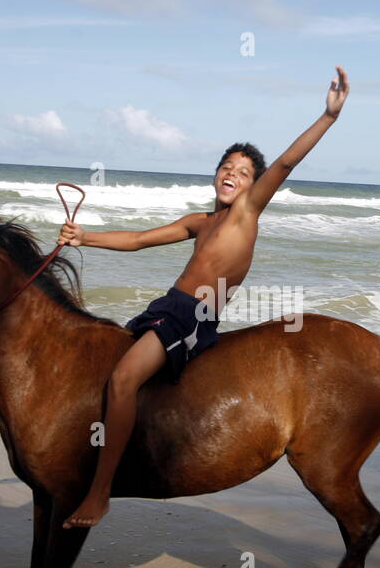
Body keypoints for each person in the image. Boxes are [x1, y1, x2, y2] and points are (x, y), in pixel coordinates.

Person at [57, 66, 350, 527]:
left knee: (122, 380)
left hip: (193, 316)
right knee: (116, 379)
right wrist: (85, 237)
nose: (232, 175)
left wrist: (327, 116)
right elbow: (138, 240)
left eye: (243, 172)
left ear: (254, 186)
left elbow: (287, 163)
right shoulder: (200, 221)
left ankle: (100, 493)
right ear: (216, 173)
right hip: (166, 308)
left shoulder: (245, 214)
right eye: (226, 167)